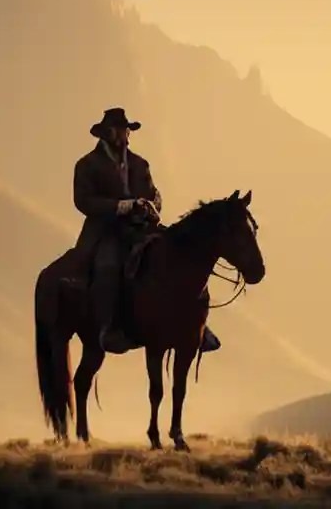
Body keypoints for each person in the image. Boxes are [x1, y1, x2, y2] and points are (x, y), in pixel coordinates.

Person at [73, 107, 221, 355]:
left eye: (126, 130)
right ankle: (109, 328)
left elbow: (153, 193)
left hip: (141, 227)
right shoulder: (88, 165)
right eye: (121, 130)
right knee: (108, 265)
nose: (125, 135)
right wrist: (122, 206)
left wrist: (152, 206)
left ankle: (196, 323)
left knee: (177, 255)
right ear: (107, 133)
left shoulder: (140, 164)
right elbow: (84, 201)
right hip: (106, 230)